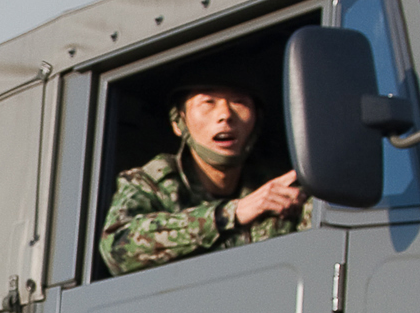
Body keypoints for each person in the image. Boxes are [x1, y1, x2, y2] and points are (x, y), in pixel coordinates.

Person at [98, 78, 309, 276]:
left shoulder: (280, 191)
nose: (225, 115)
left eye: (239, 102)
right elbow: (117, 248)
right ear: (178, 122)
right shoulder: (151, 184)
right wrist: (229, 214)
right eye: (208, 102)